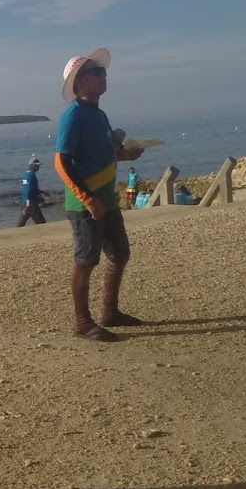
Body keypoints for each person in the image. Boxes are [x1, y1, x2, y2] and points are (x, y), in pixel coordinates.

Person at [55, 47, 144, 342]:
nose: (104, 76)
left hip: (106, 198)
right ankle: (83, 322)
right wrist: (86, 198)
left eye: (103, 71)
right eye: (97, 72)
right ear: (79, 82)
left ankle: (110, 312)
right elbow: (62, 161)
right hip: (86, 203)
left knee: (120, 254)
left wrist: (125, 154)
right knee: (86, 260)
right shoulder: (74, 117)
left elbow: (101, 155)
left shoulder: (99, 114)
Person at [18, 155, 46, 226]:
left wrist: (42, 192)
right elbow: (28, 190)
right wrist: (28, 205)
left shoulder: (26, 175)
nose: (38, 167)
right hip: (31, 203)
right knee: (41, 222)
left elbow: (27, 188)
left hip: (25, 201)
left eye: (38, 165)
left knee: (21, 223)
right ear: (32, 165)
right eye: (36, 165)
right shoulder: (31, 176)